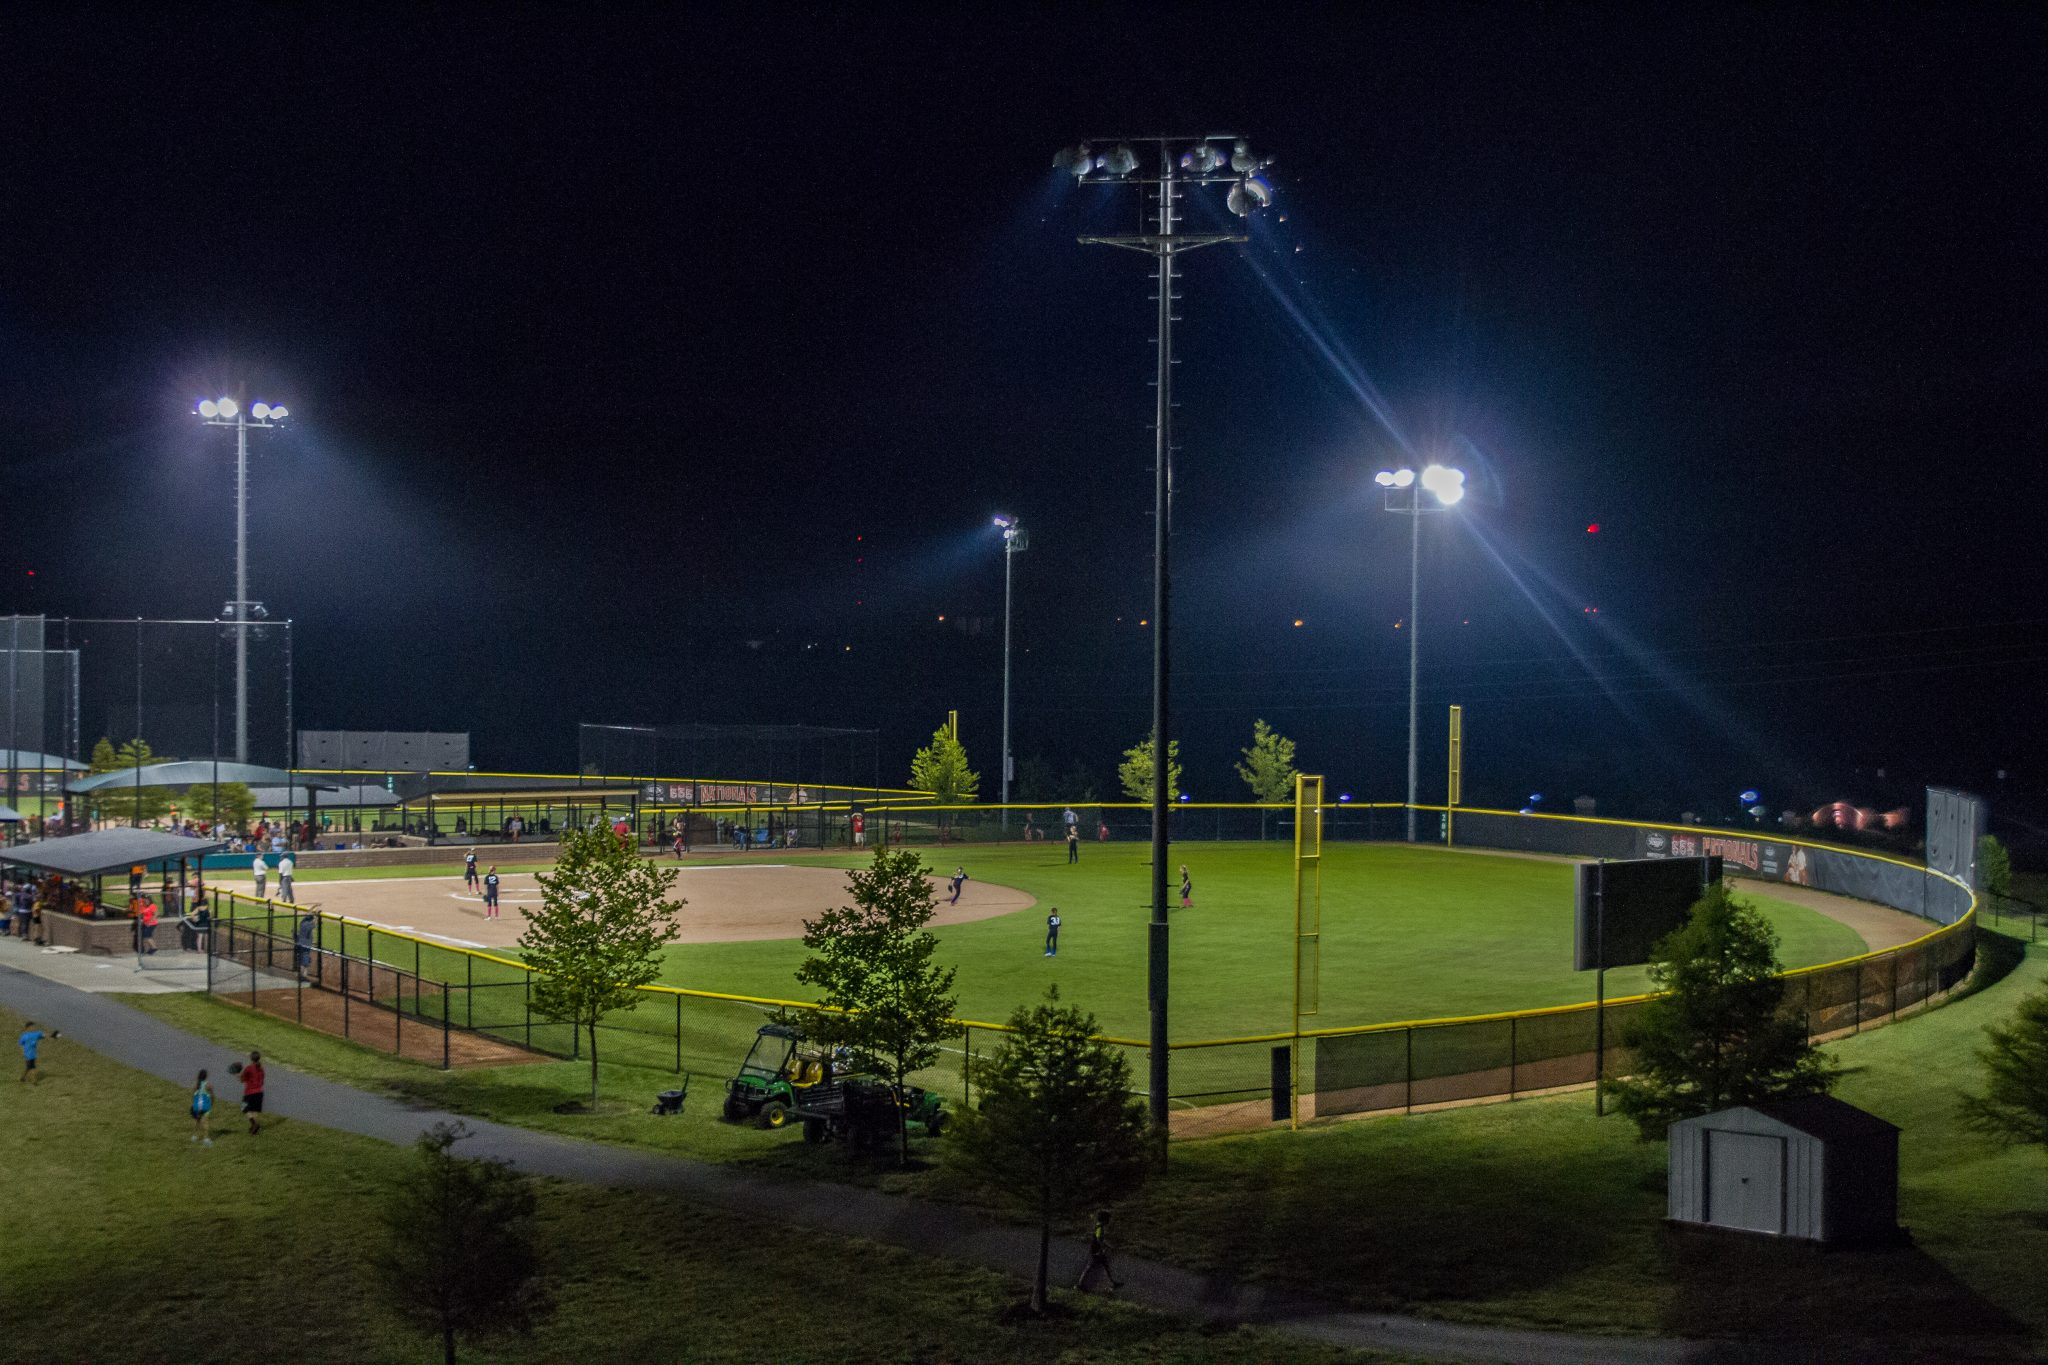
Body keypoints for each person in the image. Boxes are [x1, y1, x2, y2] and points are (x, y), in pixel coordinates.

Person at [1075, 1210, 1122, 1292]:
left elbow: (1100, 1240)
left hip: (1097, 1251)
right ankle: (1080, 1285)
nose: (1109, 1221)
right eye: (1108, 1219)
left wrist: (1108, 1246)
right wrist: (1102, 1250)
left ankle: (1113, 1282)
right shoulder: (1100, 1228)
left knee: (1105, 1265)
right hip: (1097, 1252)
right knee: (1089, 1267)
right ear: (1104, 1219)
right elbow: (1099, 1240)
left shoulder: (1098, 1226)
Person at [239, 1051, 266, 1135]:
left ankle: (254, 1124)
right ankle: (253, 1128)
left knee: (243, 1108)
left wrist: (238, 1074)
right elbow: (262, 1082)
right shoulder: (261, 1069)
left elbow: (242, 1079)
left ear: (251, 1058)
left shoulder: (249, 1068)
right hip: (259, 1092)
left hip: (250, 1092)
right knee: (254, 1110)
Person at [190, 1069, 214, 1145]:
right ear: (206, 1076)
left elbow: (193, 1095)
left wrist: (194, 1104)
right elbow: (212, 1096)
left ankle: (194, 1136)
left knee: (196, 1121)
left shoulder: (195, 1085)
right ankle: (206, 1138)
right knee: (205, 1122)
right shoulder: (209, 1085)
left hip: (196, 1106)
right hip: (206, 1106)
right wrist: (212, 1103)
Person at [293, 911, 317, 977]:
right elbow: (314, 924)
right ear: (311, 920)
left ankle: (303, 976)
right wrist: (316, 916)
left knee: (303, 962)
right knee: (305, 963)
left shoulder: (302, 923)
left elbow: (307, 915)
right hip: (305, 947)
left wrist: (313, 909)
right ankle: (302, 977)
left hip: (299, 944)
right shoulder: (309, 926)